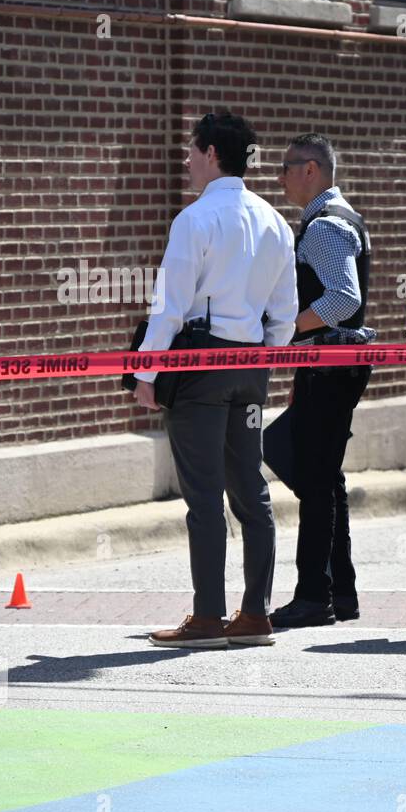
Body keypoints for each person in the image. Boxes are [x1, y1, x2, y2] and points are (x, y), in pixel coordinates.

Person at [138, 112, 297, 649]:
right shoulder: (275, 220)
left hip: (200, 366)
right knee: (250, 489)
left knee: (203, 494)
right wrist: (265, 361)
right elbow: (286, 311)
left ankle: (207, 616)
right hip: (251, 363)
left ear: (210, 153)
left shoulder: (194, 219)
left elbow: (169, 307)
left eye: (191, 150)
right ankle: (255, 615)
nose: (186, 159)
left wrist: (146, 371)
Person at [270, 133, 374, 629]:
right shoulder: (335, 219)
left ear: (310, 170)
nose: (280, 178)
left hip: (333, 367)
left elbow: (343, 300)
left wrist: (287, 328)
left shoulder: (324, 227)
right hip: (330, 366)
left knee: (315, 480)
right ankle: (340, 592)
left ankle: (315, 594)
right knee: (324, 479)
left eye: (285, 168)